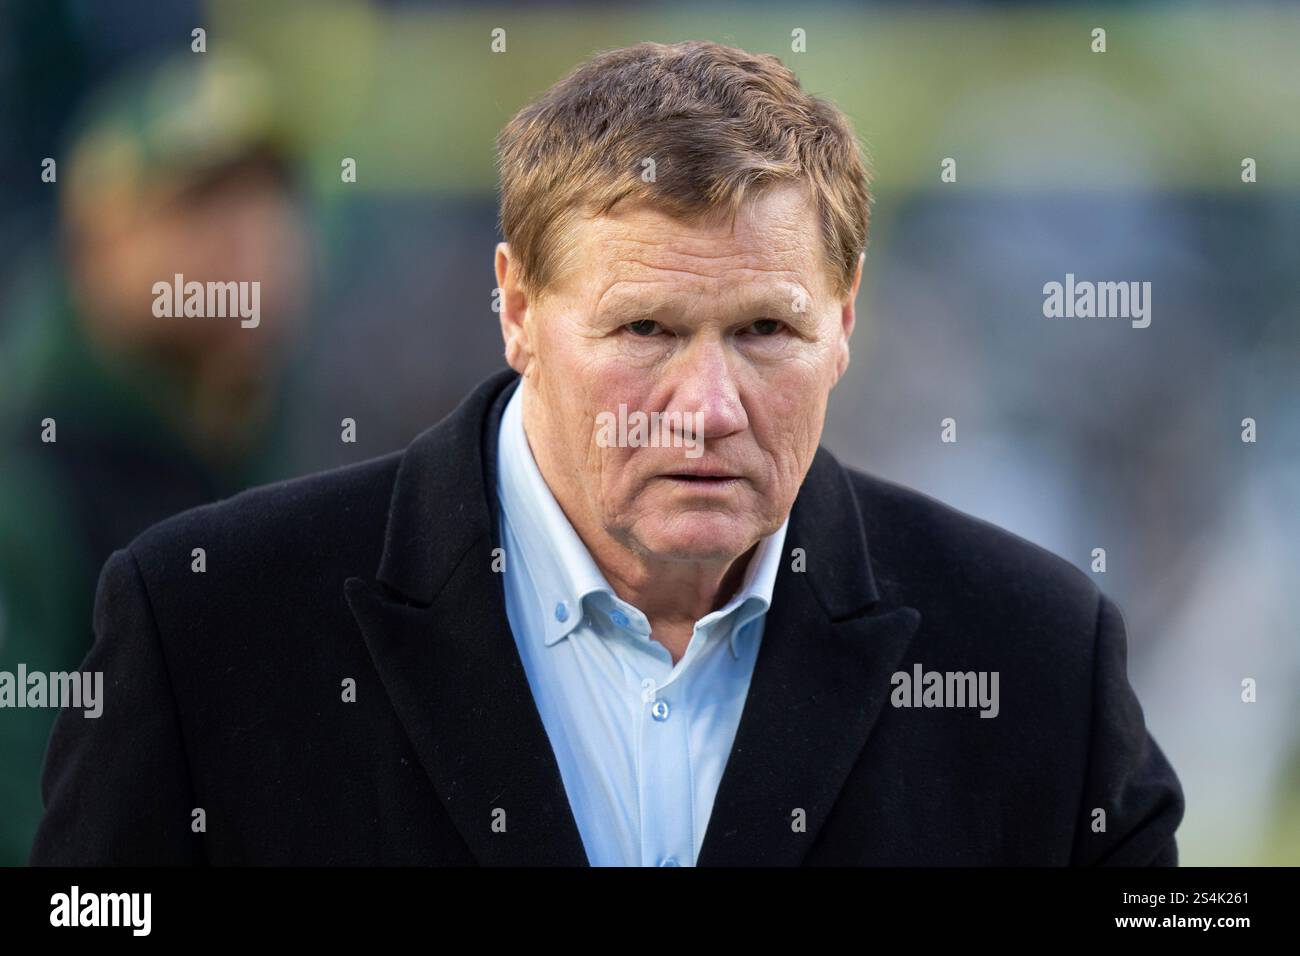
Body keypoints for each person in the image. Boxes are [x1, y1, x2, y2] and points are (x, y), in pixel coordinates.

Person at [29, 40, 1182, 866]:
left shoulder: (1037, 655)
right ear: (517, 308)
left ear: (846, 321)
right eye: (645, 330)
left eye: (765, 330)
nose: (707, 405)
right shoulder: (207, 629)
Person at [0, 52, 308, 864]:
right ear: (96, 247)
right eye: (200, 204)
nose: (251, 237)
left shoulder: (275, 454)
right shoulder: (26, 489)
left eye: (268, 199)